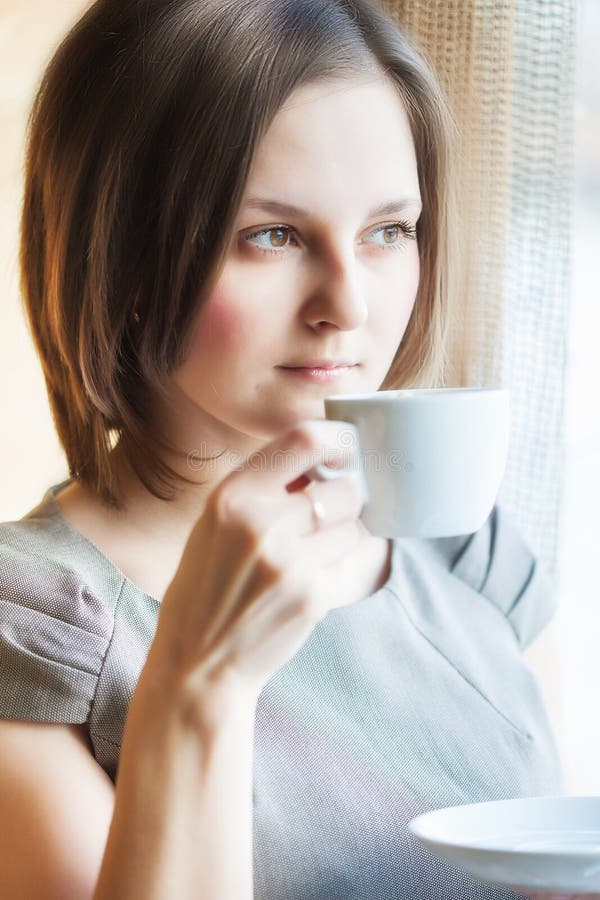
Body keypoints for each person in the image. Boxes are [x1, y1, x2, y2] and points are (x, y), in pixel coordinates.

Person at [0, 0, 567, 897]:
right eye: (273, 235)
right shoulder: (36, 631)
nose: (350, 302)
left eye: (390, 231)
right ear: (123, 254)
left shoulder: (456, 552)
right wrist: (200, 679)